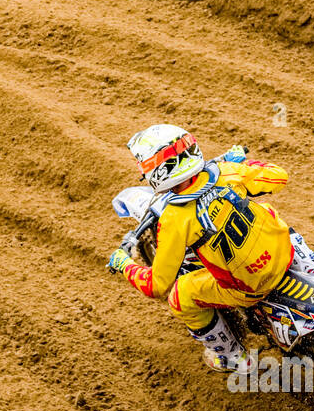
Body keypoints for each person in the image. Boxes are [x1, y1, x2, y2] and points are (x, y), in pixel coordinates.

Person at [105, 124, 295, 371]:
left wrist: (125, 264)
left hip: (250, 286)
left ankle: (234, 358)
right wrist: (244, 165)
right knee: (267, 212)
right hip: (284, 251)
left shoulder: (175, 219)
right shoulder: (226, 172)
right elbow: (279, 175)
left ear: (157, 170)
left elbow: (157, 285)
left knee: (180, 297)